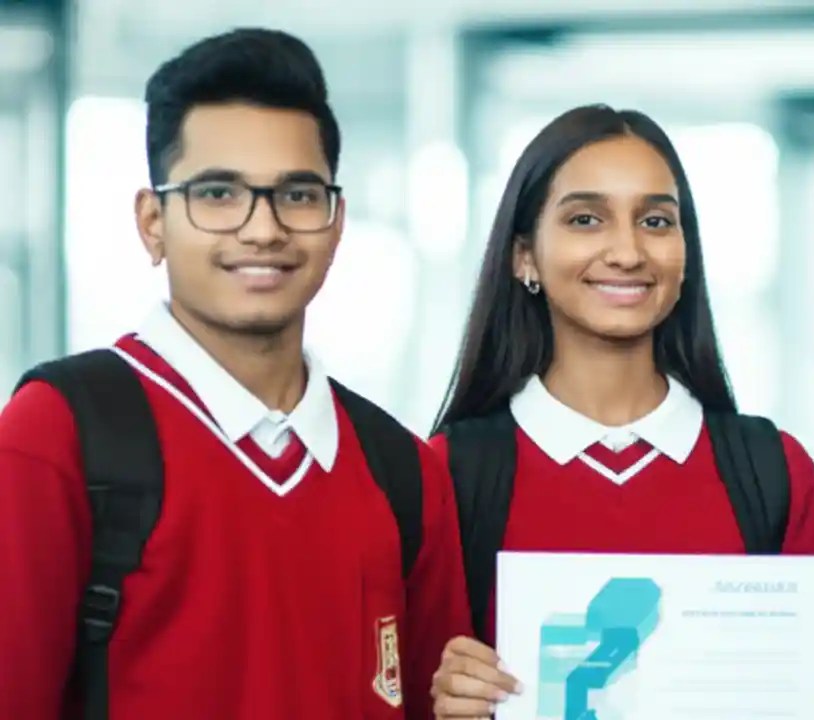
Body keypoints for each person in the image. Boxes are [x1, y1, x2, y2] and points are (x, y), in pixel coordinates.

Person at [0, 28, 471, 719]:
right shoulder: (56, 436)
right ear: (153, 221)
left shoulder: (403, 472)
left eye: (298, 195)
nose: (263, 229)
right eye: (218, 194)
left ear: (336, 221)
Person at [424, 104, 814, 717]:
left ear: (685, 253)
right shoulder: (450, 472)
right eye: (586, 219)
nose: (627, 251)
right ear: (524, 257)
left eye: (655, 220)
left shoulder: (773, 471)